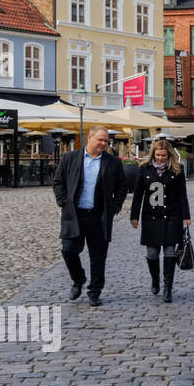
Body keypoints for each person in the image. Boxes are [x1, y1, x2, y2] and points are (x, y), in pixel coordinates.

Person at [52, 125, 129, 307]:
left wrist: (114, 207)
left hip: (98, 216)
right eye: (100, 139)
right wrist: (64, 202)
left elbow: (122, 186)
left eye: (106, 140)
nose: (103, 143)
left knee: (98, 256)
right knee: (68, 250)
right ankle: (78, 279)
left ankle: (94, 291)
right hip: (75, 214)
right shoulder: (70, 158)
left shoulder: (113, 162)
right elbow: (58, 181)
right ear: (90, 138)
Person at [129, 139, 191, 302]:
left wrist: (186, 216)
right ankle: (155, 279)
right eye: (158, 155)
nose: (161, 158)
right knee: (152, 254)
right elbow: (138, 194)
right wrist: (134, 216)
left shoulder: (177, 170)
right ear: (153, 154)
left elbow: (182, 195)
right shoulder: (144, 169)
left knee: (170, 252)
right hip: (151, 217)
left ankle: (167, 287)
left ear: (169, 154)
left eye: (163, 155)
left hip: (172, 216)